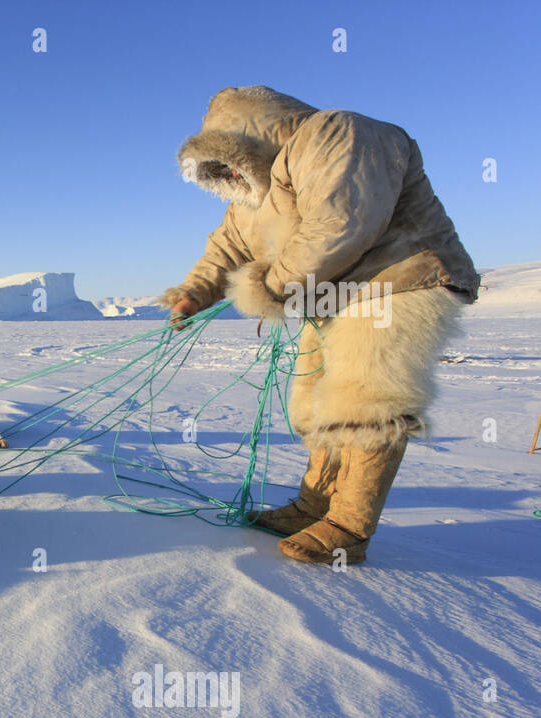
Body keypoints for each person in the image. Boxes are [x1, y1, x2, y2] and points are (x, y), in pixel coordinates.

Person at [162, 86, 479, 565]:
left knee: (366, 402)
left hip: (399, 282)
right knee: (313, 400)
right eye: (216, 171)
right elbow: (225, 250)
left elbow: (342, 223)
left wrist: (273, 286)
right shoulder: (255, 198)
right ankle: (313, 506)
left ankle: (349, 527)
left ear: (250, 138)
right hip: (332, 296)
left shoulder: (339, 133)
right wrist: (192, 294)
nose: (227, 175)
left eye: (228, 161)